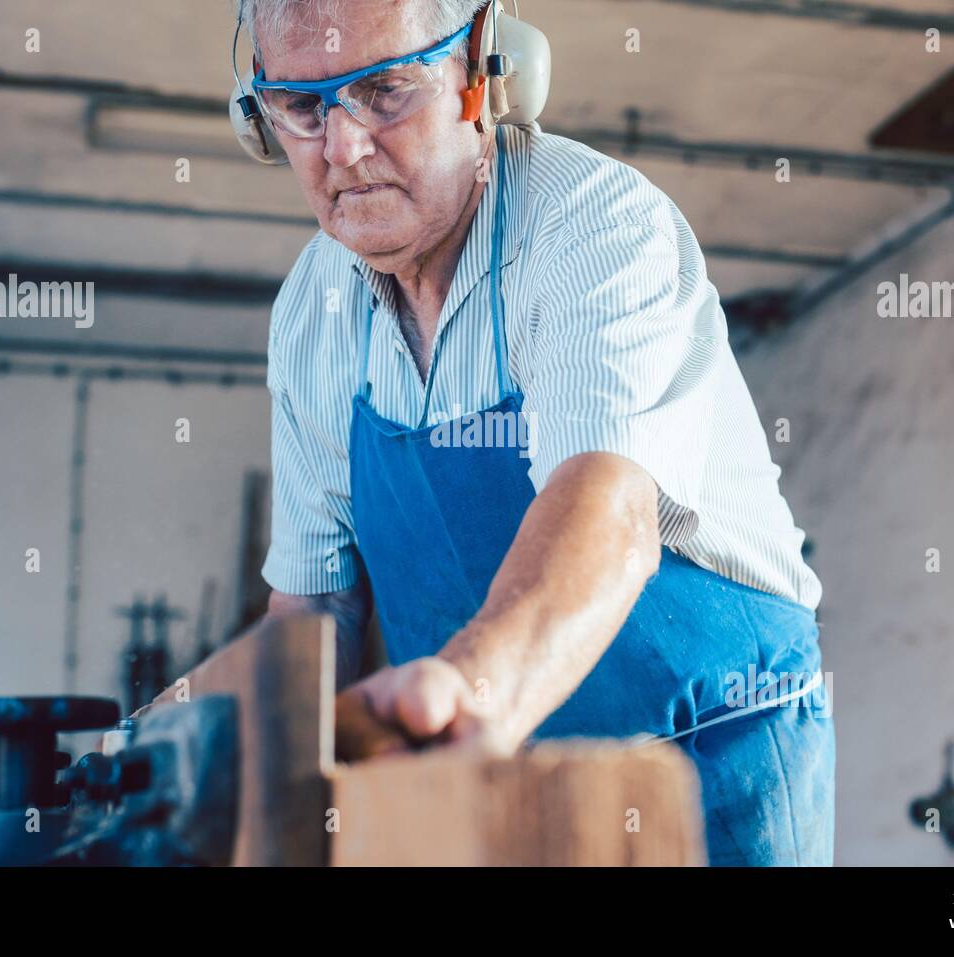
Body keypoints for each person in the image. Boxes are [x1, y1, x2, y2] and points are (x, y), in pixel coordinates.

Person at [238, 0, 834, 865]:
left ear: (483, 68)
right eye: (301, 106)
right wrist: (267, 773)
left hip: (715, 760)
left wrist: (470, 694)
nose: (343, 147)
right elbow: (314, 600)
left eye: (385, 90)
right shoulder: (309, 313)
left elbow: (608, 506)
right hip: (480, 769)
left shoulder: (592, 224)